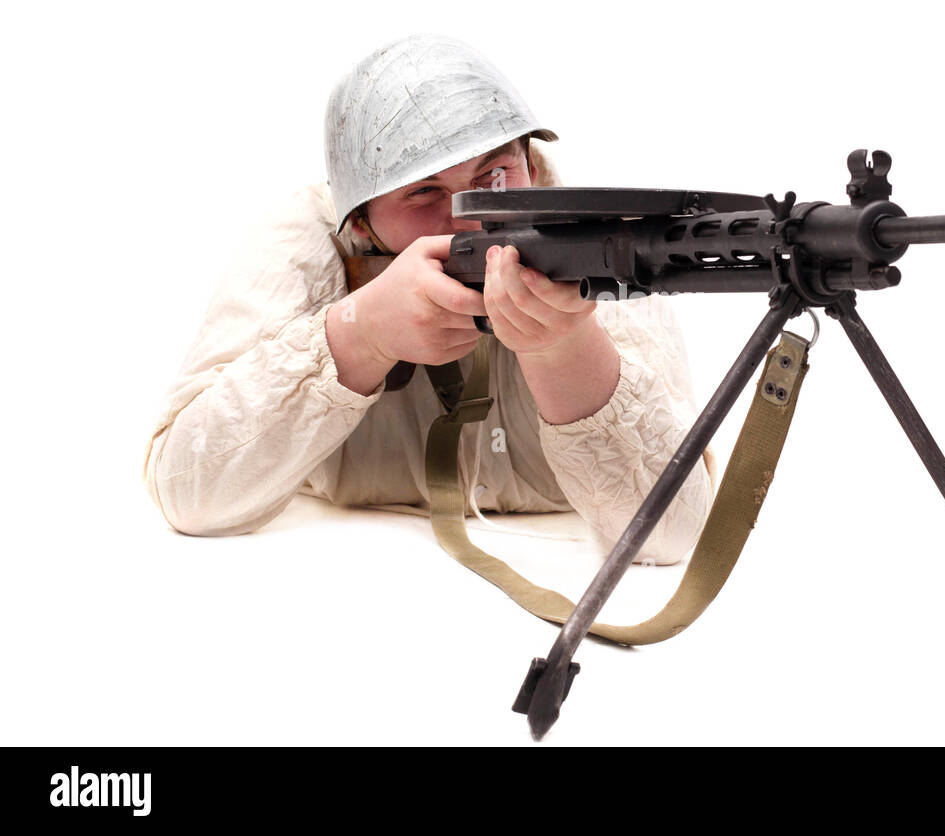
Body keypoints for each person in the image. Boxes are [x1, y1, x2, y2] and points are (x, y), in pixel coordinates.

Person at [142, 34, 715, 565]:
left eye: (494, 174)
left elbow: (672, 536)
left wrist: (564, 348)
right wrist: (358, 335)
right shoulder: (308, 239)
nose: (467, 216)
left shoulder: (596, 243)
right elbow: (191, 494)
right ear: (361, 220)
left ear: (533, 168)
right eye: (424, 192)